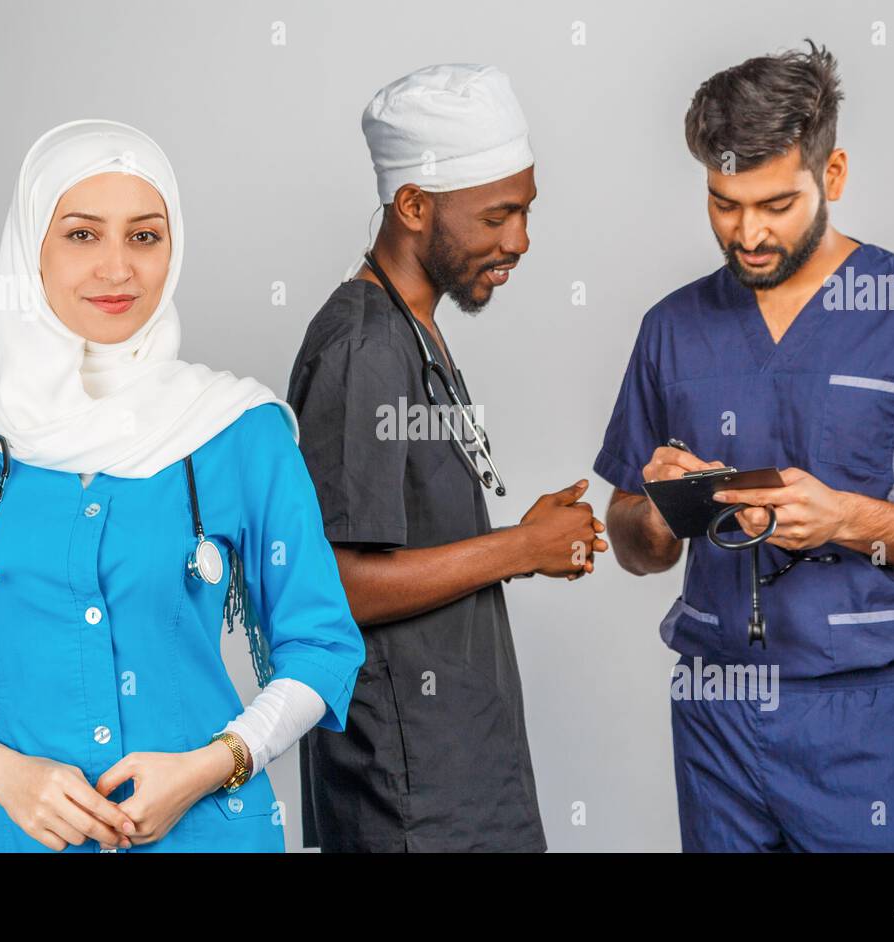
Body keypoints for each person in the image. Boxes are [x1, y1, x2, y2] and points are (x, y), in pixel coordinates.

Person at [0, 119, 365, 853]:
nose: (118, 269)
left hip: (210, 834)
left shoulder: (239, 431)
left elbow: (322, 647)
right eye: (83, 235)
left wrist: (209, 767)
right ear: (32, 248)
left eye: (144, 237)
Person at [595, 42, 894, 851]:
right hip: (714, 717)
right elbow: (635, 547)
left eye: (776, 205)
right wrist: (657, 511)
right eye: (725, 204)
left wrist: (848, 520)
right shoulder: (671, 330)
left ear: (832, 177)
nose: (748, 233)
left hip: (874, 725)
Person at [288, 64, 607, 852]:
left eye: (526, 211)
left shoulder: (413, 331)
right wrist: (521, 549)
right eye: (497, 216)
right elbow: (341, 584)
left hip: (457, 769)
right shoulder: (365, 348)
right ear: (414, 205)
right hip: (404, 789)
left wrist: (518, 541)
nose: (519, 241)